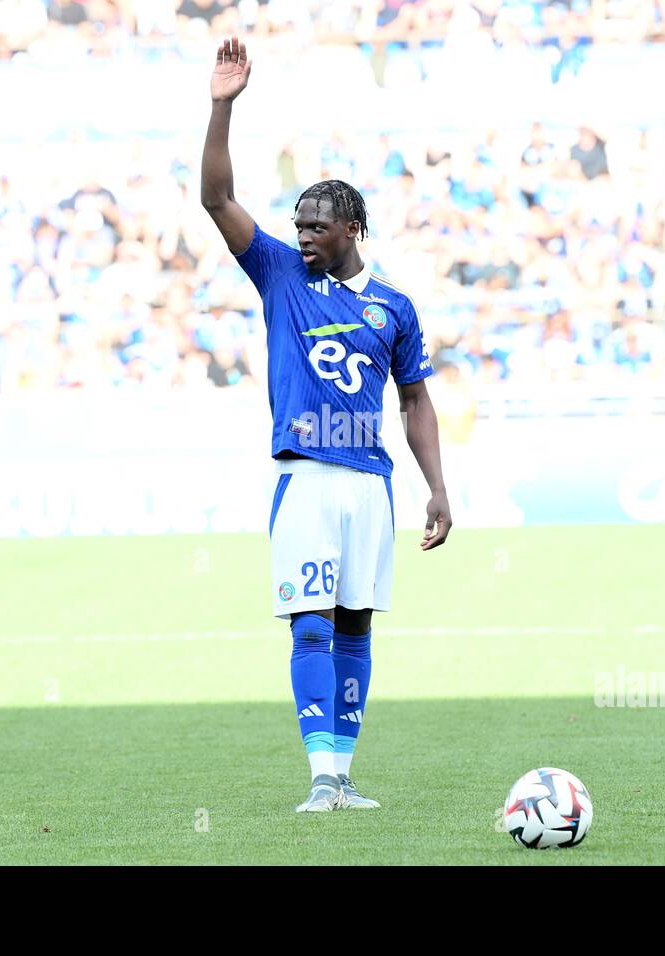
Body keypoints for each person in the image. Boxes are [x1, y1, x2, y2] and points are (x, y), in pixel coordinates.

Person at [200, 36, 451, 813]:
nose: (302, 233)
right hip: (304, 478)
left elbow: (415, 400)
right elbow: (215, 200)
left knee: (355, 631)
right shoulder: (279, 274)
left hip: (371, 485)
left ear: (352, 230)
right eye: (298, 222)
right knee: (309, 629)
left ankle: (343, 776)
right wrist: (222, 108)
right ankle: (318, 779)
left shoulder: (394, 306)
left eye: (316, 225)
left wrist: (437, 489)